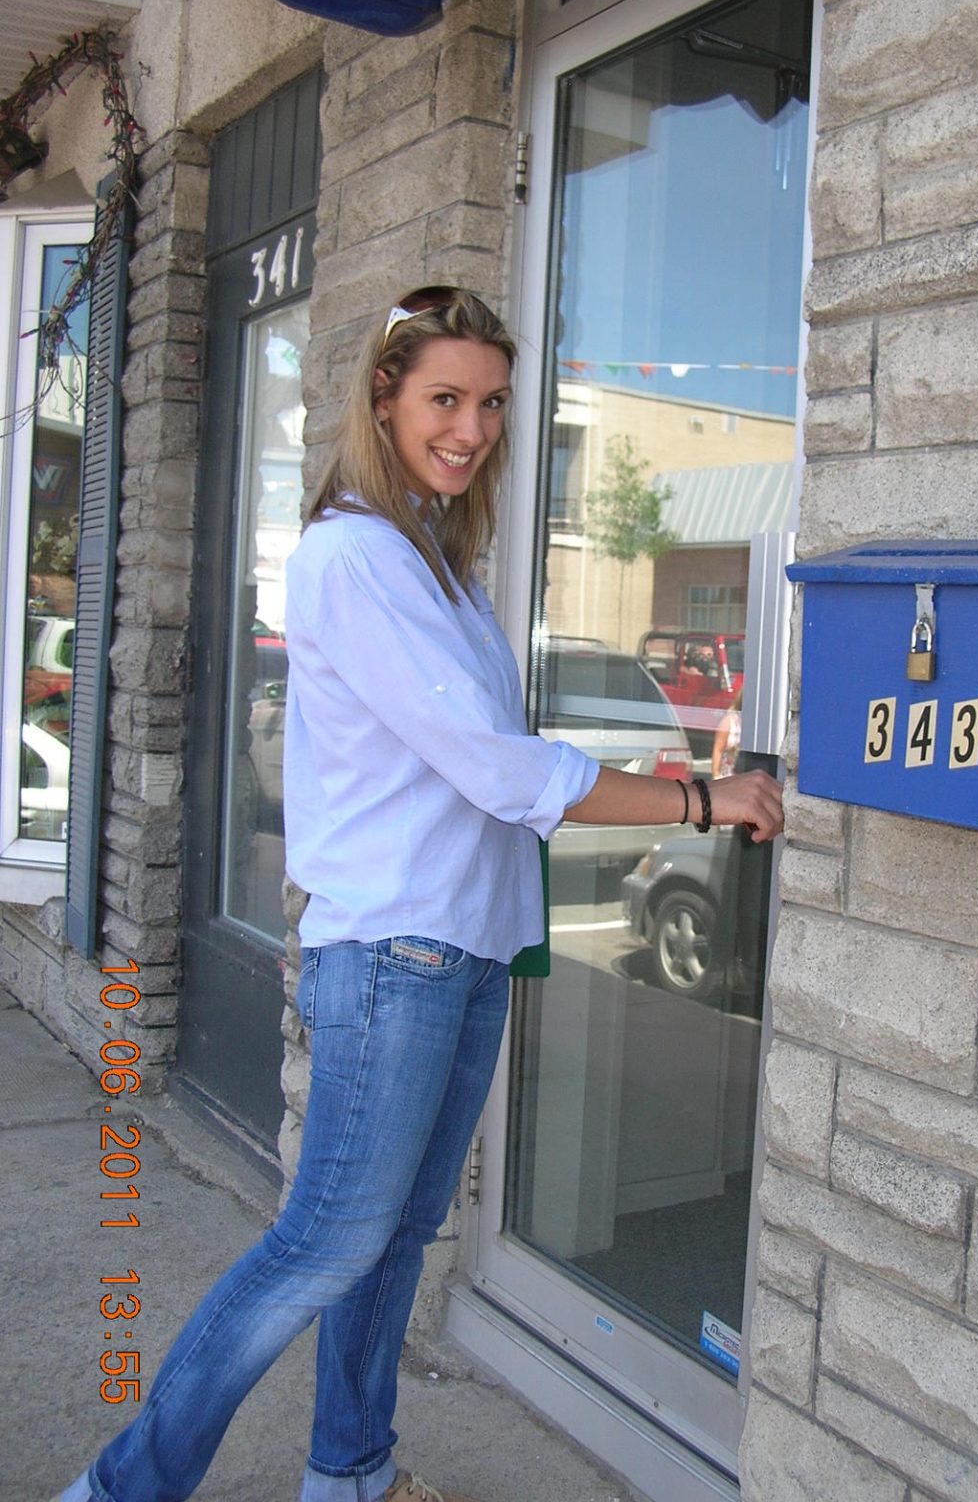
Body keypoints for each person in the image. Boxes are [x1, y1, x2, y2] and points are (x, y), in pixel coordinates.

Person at [54, 287, 783, 1502]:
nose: (474, 427)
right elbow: (500, 768)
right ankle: (124, 1487)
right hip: (398, 956)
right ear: (383, 399)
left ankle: (348, 1472)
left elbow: (482, 760)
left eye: (492, 403)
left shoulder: (436, 565)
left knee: (391, 1240)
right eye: (445, 398)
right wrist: (702, 801)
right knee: (325, 1242)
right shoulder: (355, 557)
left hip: (466, 948)